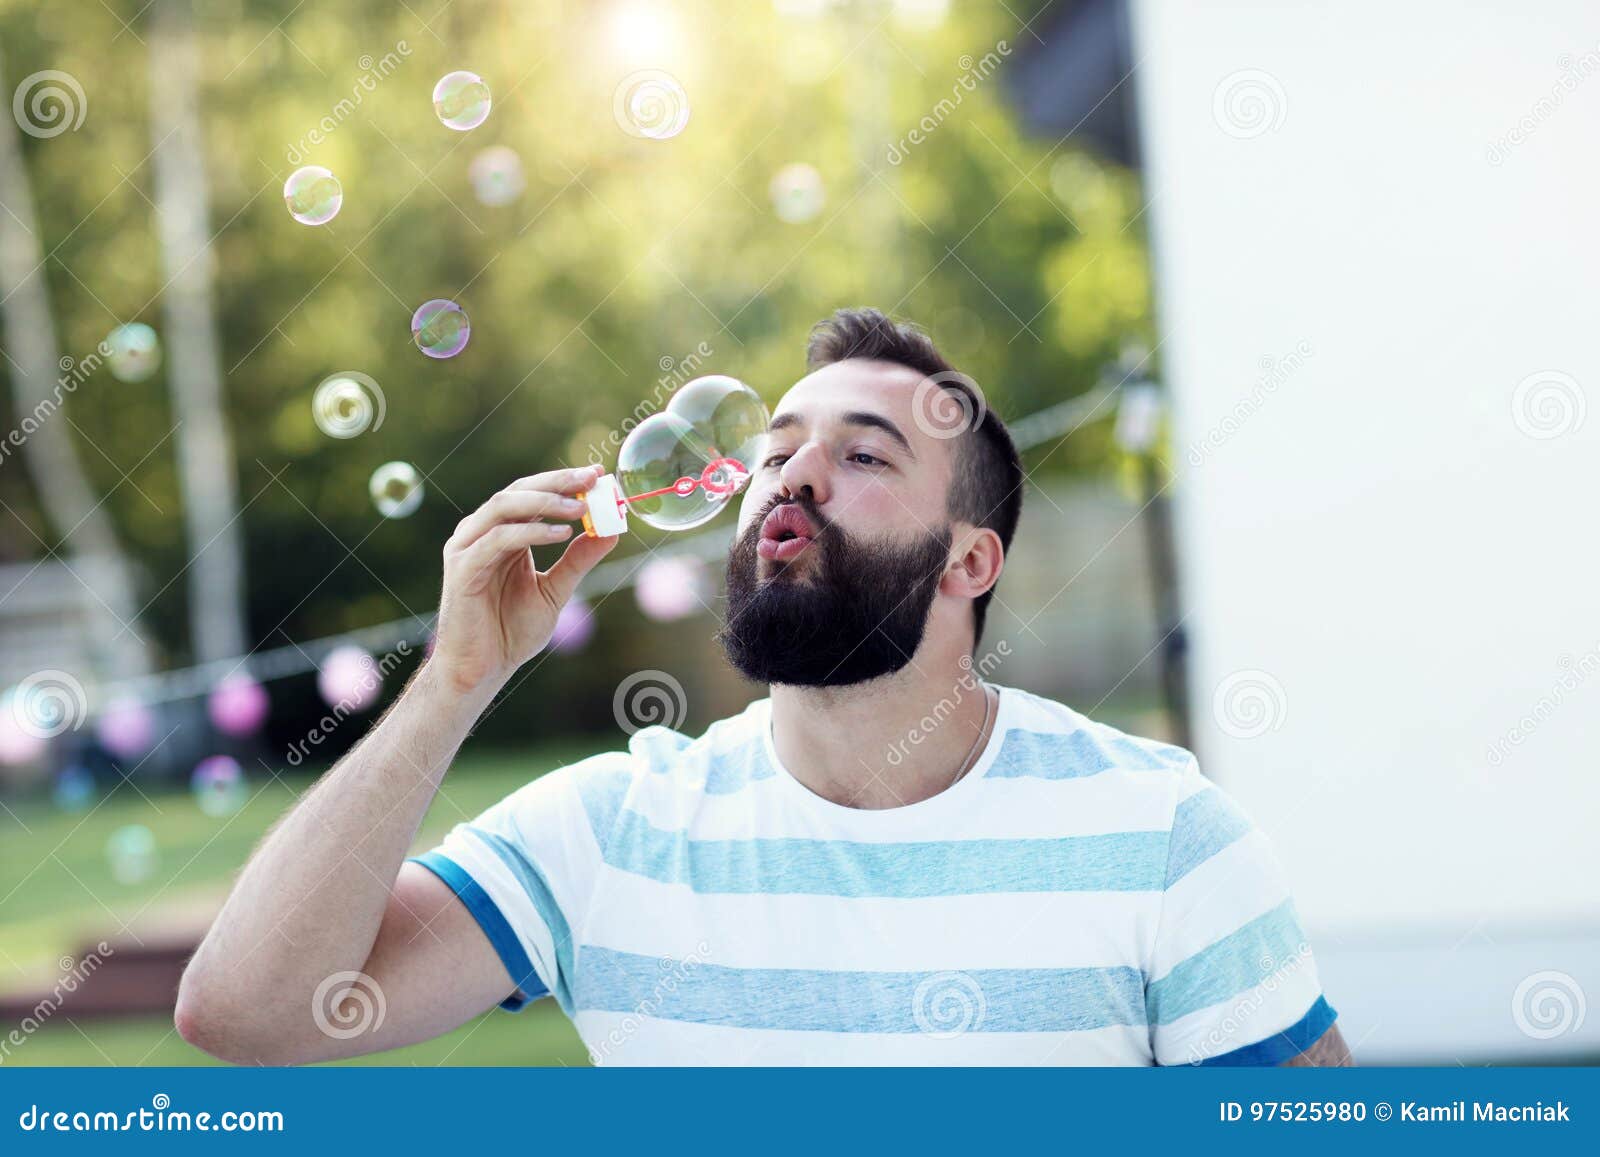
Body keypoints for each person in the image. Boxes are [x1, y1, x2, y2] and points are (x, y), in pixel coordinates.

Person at [175, 308, 1350, 1066]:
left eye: (864, 452)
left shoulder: (1161, 834)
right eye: (779, 444)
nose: (791, 470)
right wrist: (453, 682)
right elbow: (247, 1014)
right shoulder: (609, 831)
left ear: (967, 560)